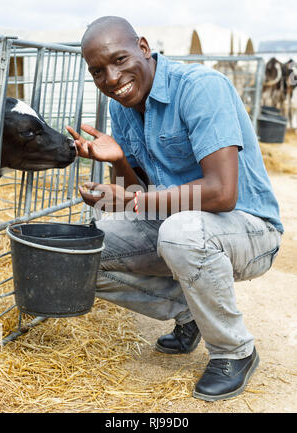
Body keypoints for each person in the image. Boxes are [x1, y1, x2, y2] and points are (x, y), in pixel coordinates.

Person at [66, 16, 283, 402]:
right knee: (84, 250)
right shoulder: (123, 106)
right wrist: (117, 165)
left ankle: (235, 351)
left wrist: (136, 200)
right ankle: (189, 312)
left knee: (180, 233)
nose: (112, 79)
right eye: (98, 71)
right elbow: (140, 193)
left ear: (144, 48)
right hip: (180, 224)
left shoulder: (200, 88)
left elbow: (222, 193)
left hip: (249, 228)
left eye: (119, 60)